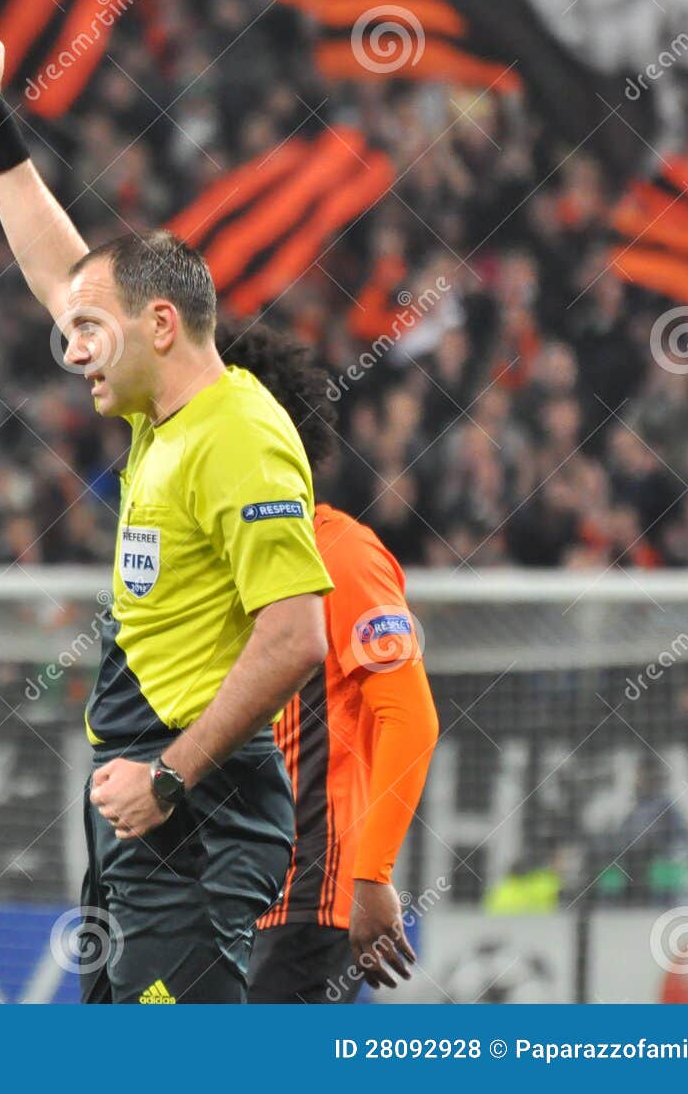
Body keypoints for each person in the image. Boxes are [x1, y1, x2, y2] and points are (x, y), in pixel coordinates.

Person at [0, 21, 332, 1003]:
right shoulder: (164, 420)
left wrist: (169, 774)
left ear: (161, 324)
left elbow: (295, 637)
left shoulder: (236, 433)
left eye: (89, 332)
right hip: (143, 808)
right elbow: (54, 267)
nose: (69, 350)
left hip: (194, 811)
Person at [212, 324, 439, 1002]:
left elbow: (411, 717)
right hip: (221, 898)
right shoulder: (218, 564)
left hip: (309, 901)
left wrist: (371, 875)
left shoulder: (340, 553)